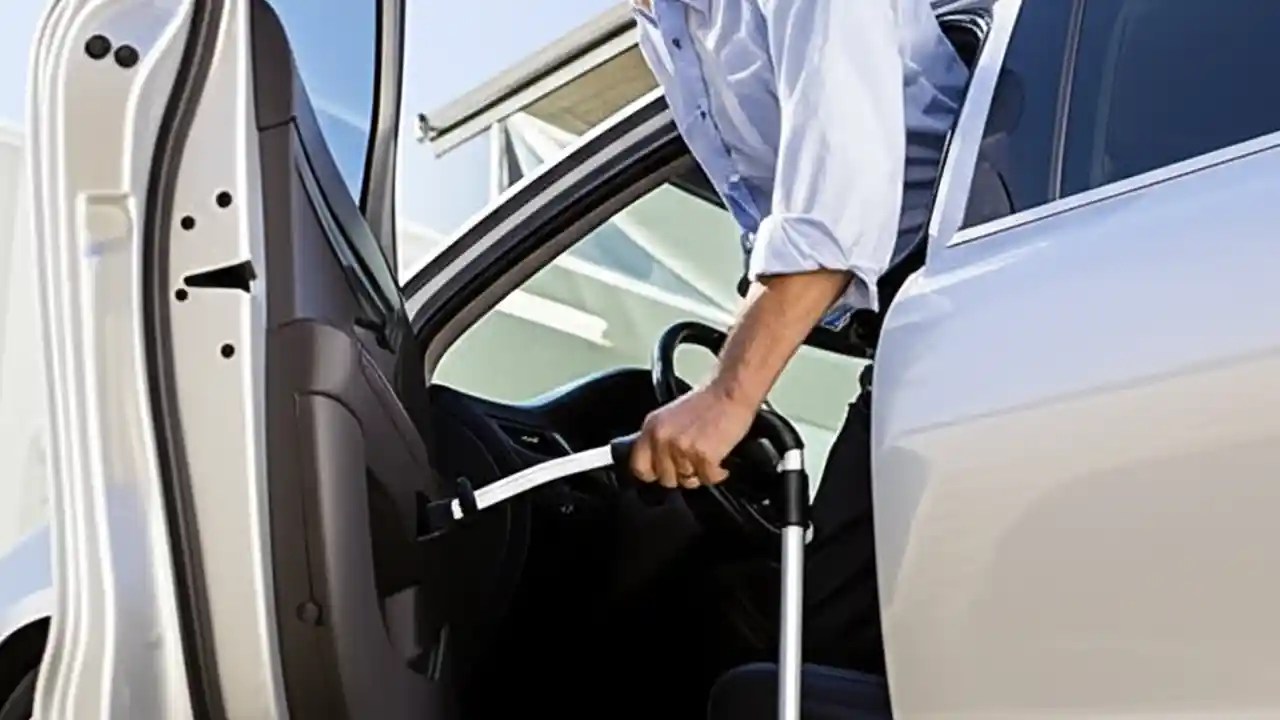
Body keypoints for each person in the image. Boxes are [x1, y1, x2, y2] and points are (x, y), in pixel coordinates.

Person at [625, 0, 969, 714]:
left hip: (973, 310)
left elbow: (836, 206)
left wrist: (728, 395)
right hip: (914, 326)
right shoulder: (665, 23)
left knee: (822, 658)